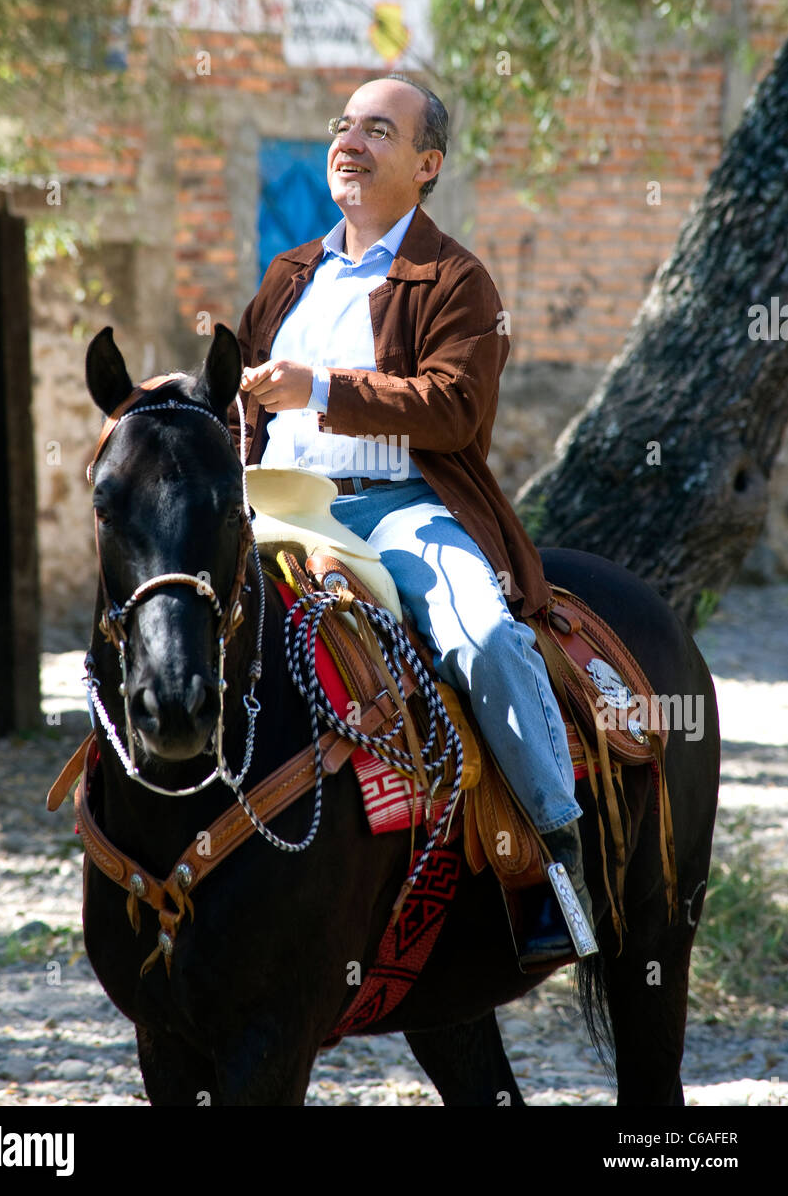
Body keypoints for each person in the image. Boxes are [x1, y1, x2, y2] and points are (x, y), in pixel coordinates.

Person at [232, 74, 593, 960]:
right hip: (273, 506)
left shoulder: (456, 279)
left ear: (427, 165)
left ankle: (557, 860)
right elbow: (239, 400)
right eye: (343, 126)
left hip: (397, 511)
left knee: (485, 641)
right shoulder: (288, 275)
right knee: (169, 609)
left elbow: (454, 408)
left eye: (378, 131)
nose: (348, 143)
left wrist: (319, 389)